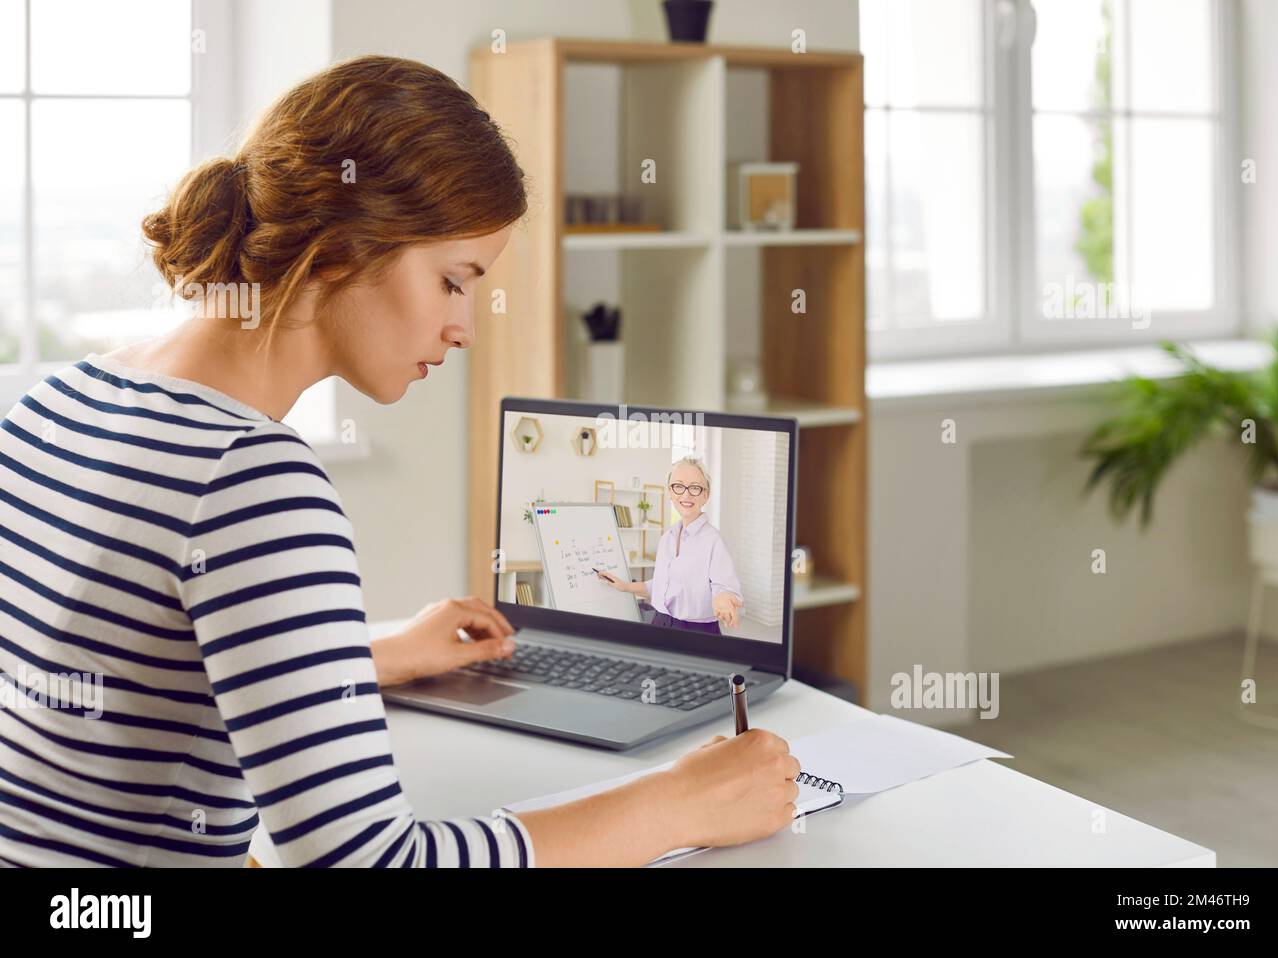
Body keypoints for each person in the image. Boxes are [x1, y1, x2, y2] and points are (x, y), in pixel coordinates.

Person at [0, 55, 799, 868]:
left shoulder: (56, 402)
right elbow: (370, 864)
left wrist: (364, 659)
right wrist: (676, 805)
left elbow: (128, 684)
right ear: (345, 247)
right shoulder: (250, 480)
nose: (465, 329)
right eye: (455, 282)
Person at [599, 457, 744, 635]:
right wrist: (626, 586)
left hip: (696, 633)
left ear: (705, 495)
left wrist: (724, 598)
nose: (686, 494)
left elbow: (725, 587)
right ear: (670, 492)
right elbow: (661, 586)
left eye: (695, 488)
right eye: (679, 486)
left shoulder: (713, 541)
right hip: (659, 624)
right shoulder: (667, 537)